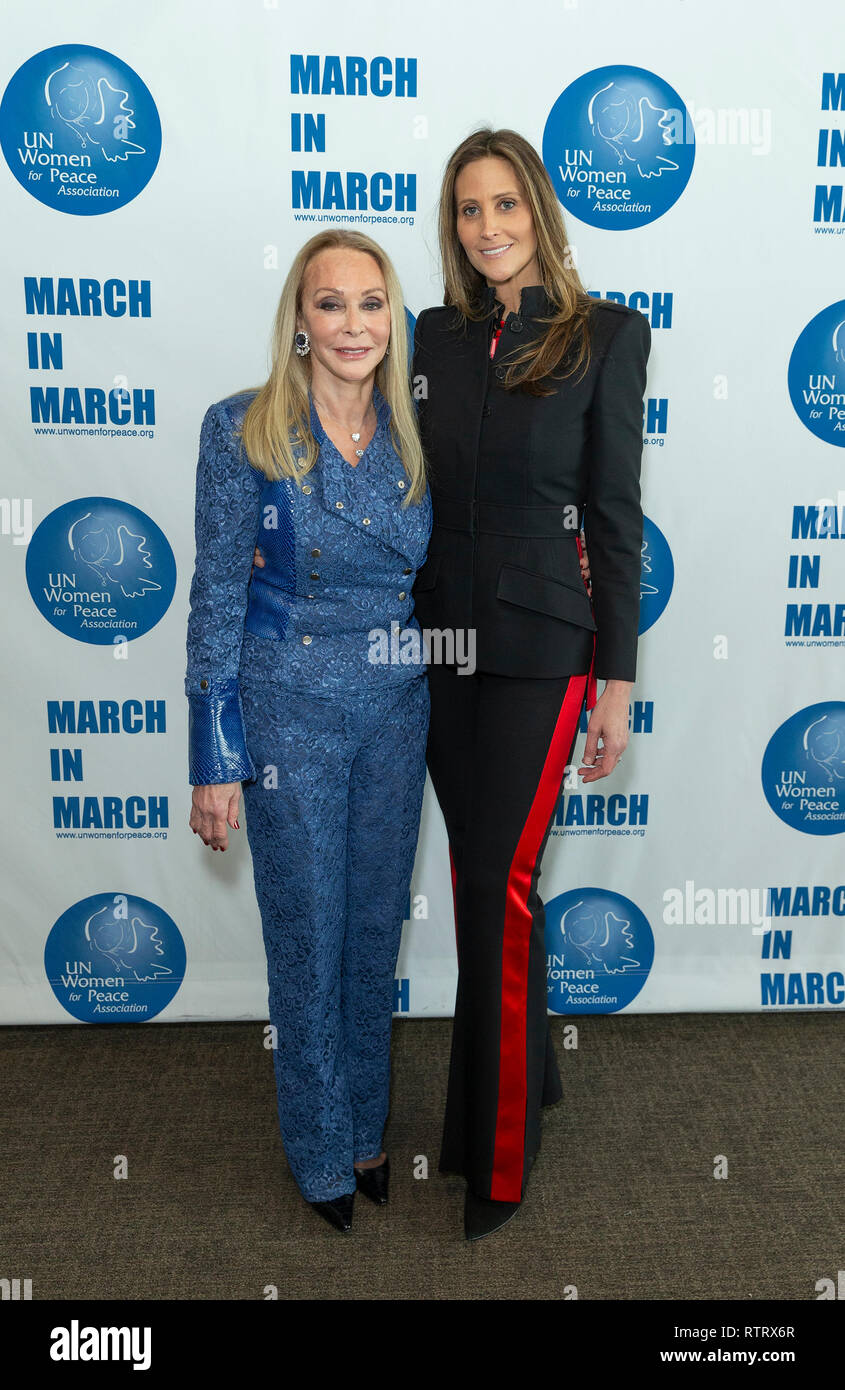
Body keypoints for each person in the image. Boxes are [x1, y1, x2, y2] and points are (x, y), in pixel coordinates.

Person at [411, 128, 651, 1240]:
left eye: (505, 204)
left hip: (544, 647)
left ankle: (496, 1156)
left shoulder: (605, 335)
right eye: (467, 209)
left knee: (496, 890)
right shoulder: (431, 336)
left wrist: (615, 679)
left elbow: (612, 513)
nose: (487, 226)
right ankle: (532, 1080)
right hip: (437, 646)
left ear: (538, 212)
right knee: (480, 878)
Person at [185, 228, 431, 1232]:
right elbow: (212, 597)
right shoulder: (241, 428)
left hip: (395, 703)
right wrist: (214, 756)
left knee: (373, 926)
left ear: (392, 317)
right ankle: (321, 1149)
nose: (351, 324)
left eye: (370, 304)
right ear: (299, 318)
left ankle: (368, 1127)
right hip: (285, 702)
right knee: (307, 932)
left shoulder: (422, 428)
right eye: (329, 304)